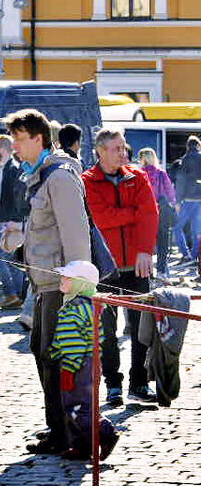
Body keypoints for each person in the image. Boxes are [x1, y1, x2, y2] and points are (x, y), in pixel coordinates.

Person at [3, 108, 90, 457]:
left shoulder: (59, 176)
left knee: (54, 356)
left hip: (61, 284)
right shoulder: (40, 175)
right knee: (42, 352)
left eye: (19, 139)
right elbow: (47, 228)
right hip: (43, 282)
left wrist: (77, 286)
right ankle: (57, 426)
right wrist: (21, 237)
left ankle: (65, 431)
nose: (14, 146)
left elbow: (76, 233)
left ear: (38, 138)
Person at [83, 127, 158, 406]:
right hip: (105, 268)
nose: (123, 152)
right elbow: (100, 218)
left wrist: (145, 250)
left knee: (141, 329)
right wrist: (133, 214)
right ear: (100, 151)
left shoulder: (137, 176)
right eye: (117, 148)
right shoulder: (87, 181)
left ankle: (139, 383)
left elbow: (150, 213)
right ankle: (113, 385)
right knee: (107, 332)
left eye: (123, 147)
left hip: (138, 265)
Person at [48, 260, 118, 460]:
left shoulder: (72, 310)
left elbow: (73, 343)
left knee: (76, 407)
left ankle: (105, 432)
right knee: (84, 405)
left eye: (67, 277)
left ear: (81, 284)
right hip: (91, 362)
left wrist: (69, 368)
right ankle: (81, 445)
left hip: (77, 365)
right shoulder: (90, 305)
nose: (62, 279)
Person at [0, 135, 29, 309]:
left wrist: (13, 222)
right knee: (5, 258)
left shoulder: (12, 169)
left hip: (5, 222)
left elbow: (16, 198)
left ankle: (13, 293)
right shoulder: (5, 168)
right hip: (0, 220)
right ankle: (16, 294)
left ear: (1, 148)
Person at [137, 148, 177, 279]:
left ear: (142, 159)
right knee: (162, 241)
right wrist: (173, 204)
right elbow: (170, 193)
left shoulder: (138, 174)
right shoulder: (161, 174)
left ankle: (147, 272)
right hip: (161, 212)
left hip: (145, 213)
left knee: (146, 243)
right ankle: (161, 270)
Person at [172, 136, 201, 264]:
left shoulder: (184, 160)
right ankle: (194, 257)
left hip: (187, 201)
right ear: (198, 146)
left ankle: (186, 254)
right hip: (200, 202)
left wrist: (177, 201)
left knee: (177, 228)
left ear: (188, 146)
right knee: (196, 231)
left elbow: (180, 182)